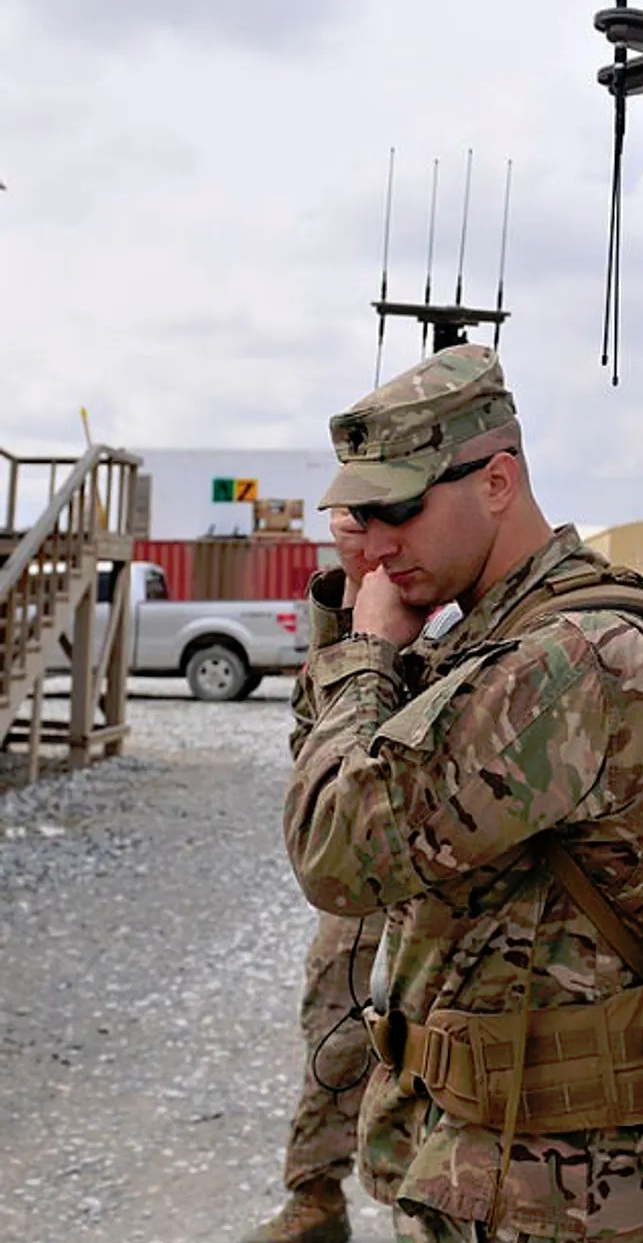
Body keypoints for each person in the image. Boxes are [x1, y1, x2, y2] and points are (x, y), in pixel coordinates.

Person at [283, 344, 643, 1243]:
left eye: (400, 509)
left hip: (545, 1187)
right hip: (488, 1162)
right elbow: (328, 764)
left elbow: (335, 849)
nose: (377, 542)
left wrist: (368, 653)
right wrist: (353, 615)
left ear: (498, 480)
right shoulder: (494, 639)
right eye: (361, 515)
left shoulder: (567, 662)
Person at [242, 514, 385, 1243]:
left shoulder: (470, 590)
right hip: (372, 858)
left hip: (453, 849)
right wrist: (349, 607)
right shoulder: (371, 597)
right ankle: (315, 1190)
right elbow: (313, 741)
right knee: (334, 1013)